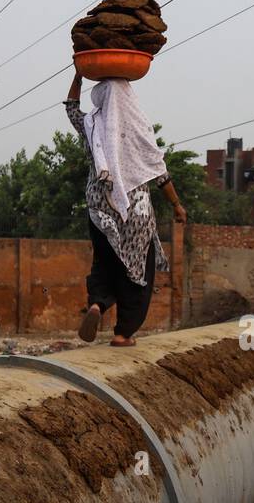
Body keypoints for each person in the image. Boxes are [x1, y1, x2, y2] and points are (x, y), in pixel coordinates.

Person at [65, 57, 187, 346]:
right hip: (137, 214)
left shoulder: (92, 125)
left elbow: (71, 109)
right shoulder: (139, 129)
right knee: (137, 271)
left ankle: (97, 303)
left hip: (100, 209)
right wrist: (176, 205)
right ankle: (123, 333)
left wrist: (78, 75)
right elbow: (160, 173)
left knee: (104, 262)